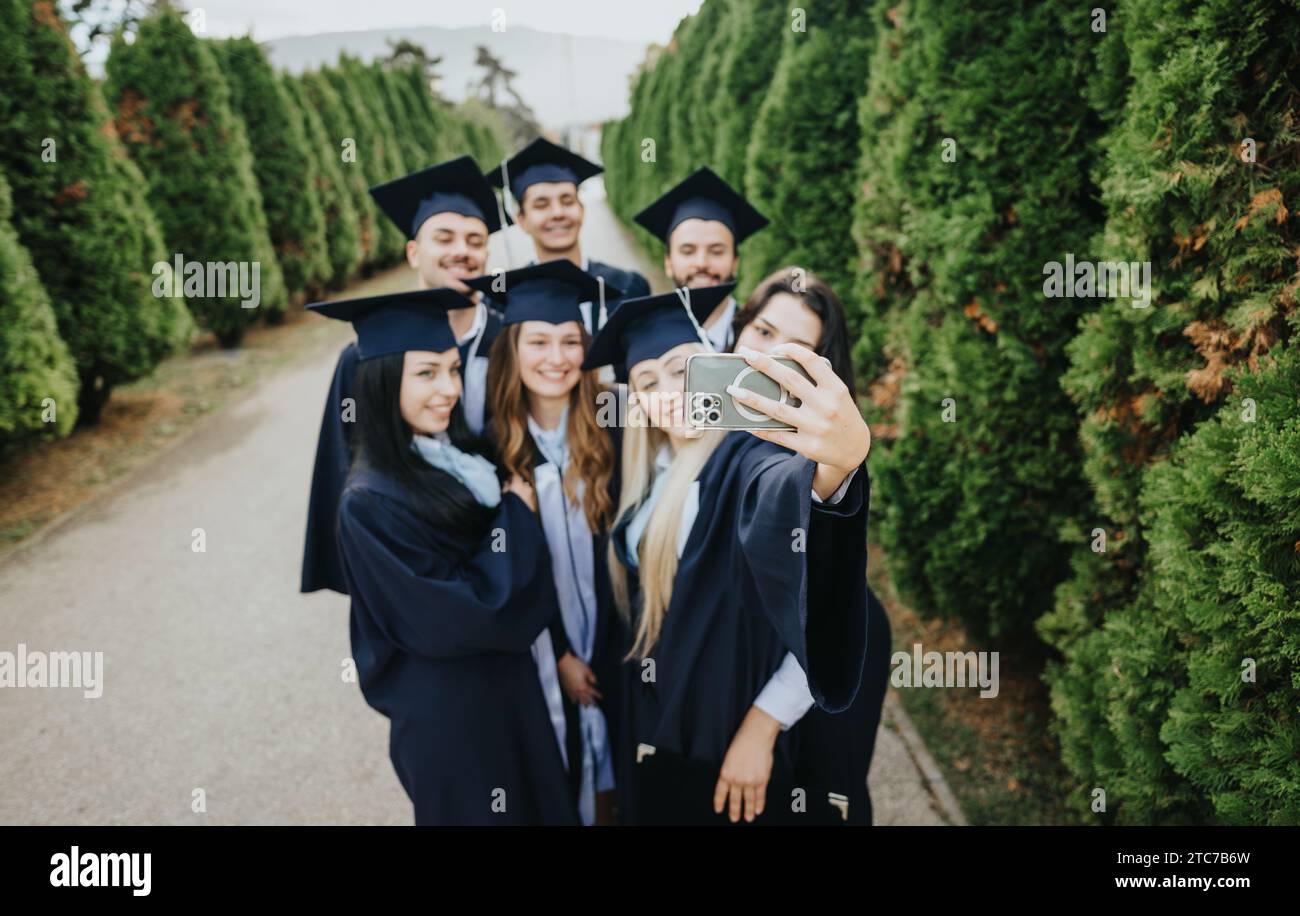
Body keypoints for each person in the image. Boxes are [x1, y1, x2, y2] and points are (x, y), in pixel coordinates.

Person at [582, 283, 873, 825]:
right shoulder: (644, 472)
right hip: (660, 721)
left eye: (682, 368)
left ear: (713, 366)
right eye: (647, 381)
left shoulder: (747, 456)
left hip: (720, 725)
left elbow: (784, 496)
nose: (669, 390)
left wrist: (837, 469)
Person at [309, 285, 577, 826]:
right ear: (383, 381)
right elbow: (465, 612)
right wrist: (517, 518)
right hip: (452, 717)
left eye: (453, 371)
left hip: (500, 692)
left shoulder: (451, 458)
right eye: (427, 373)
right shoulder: (368, 502)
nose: (448, 389)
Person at [730, 267, 893, 825]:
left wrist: (834, 469)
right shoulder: (707, 427)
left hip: (815, 673)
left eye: (798, 350)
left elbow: (785, 488)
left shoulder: (789, 453)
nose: (771, 356)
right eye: (763, 331)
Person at [466, 259, 625, 826]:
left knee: (621, 767)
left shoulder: (616, 432)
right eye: (538, 341)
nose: (556, 358)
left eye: (569, 341)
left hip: (617, 641)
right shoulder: (488, 453)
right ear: (512, 349)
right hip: (542, 651)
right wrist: (558, 652)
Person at [302, 156, 506, 595]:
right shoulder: (365, 358)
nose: (462, 251)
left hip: (501, 535)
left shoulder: (511, 339)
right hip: (411, 546)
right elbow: (347, 458)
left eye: (476, 240)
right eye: (444, 237)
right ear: (414, 251)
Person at [487, 136, 650, 336]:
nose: (558, 213)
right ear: (521, 220)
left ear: (581, 209)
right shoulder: (505, 297)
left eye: (567, 201)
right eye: (541, 204)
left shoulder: (626, 287)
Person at [632, 167, 768, 352]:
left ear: (735, 261)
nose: (702, 263)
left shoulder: (761, 339)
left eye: (717, 251)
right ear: (668, 263)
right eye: (688, 251)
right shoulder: (643, 338)